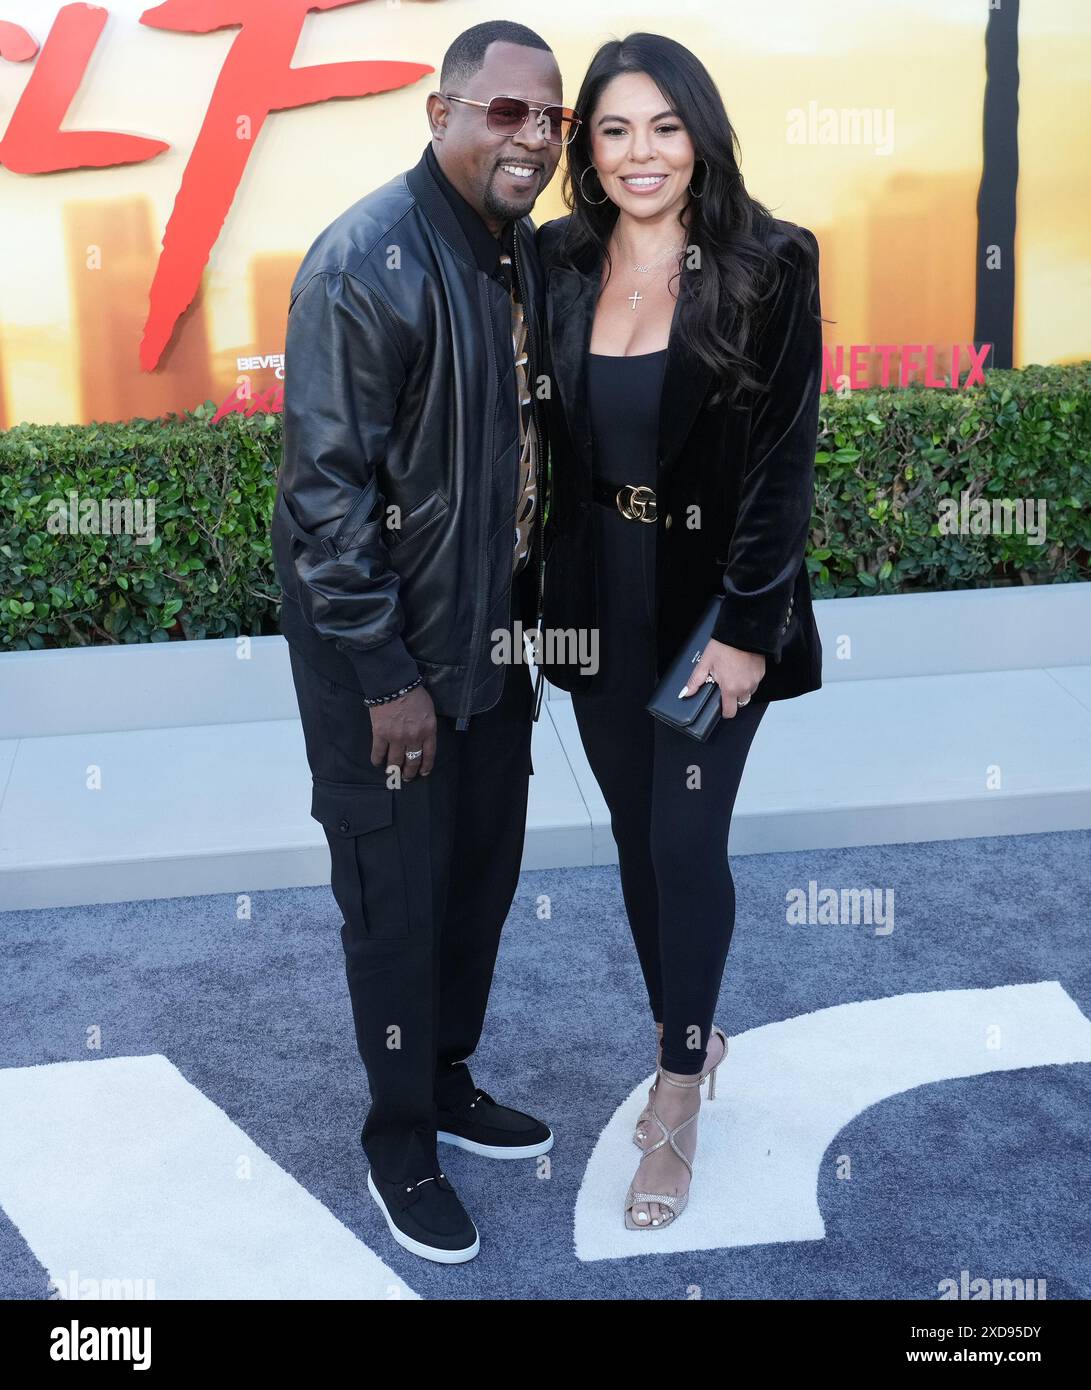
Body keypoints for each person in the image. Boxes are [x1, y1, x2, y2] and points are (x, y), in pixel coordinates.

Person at [272, 20, 579, 1264]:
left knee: (477, 886)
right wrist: (385, 674)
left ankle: (445, 1081)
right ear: (438, 112)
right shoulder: (365, 261)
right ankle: (398, 1139)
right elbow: (324, 499)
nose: (529, 139)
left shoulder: (517, 257)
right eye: (503, 112)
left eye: (547, 119)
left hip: (492, 647)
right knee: (394, 905)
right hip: (387, 666)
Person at [536, 32, 824, 1231]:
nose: (639, 152)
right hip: (596, 595)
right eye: (613, 129)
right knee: (632, 837)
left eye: (661, 126)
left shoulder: (767, 263)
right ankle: (695, 1031)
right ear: (585, 151)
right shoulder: (549, 258)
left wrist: (750, 627)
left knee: (684, 843)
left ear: (697, 132)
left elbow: (781, 459)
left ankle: (674, 1095)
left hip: (711, 603)